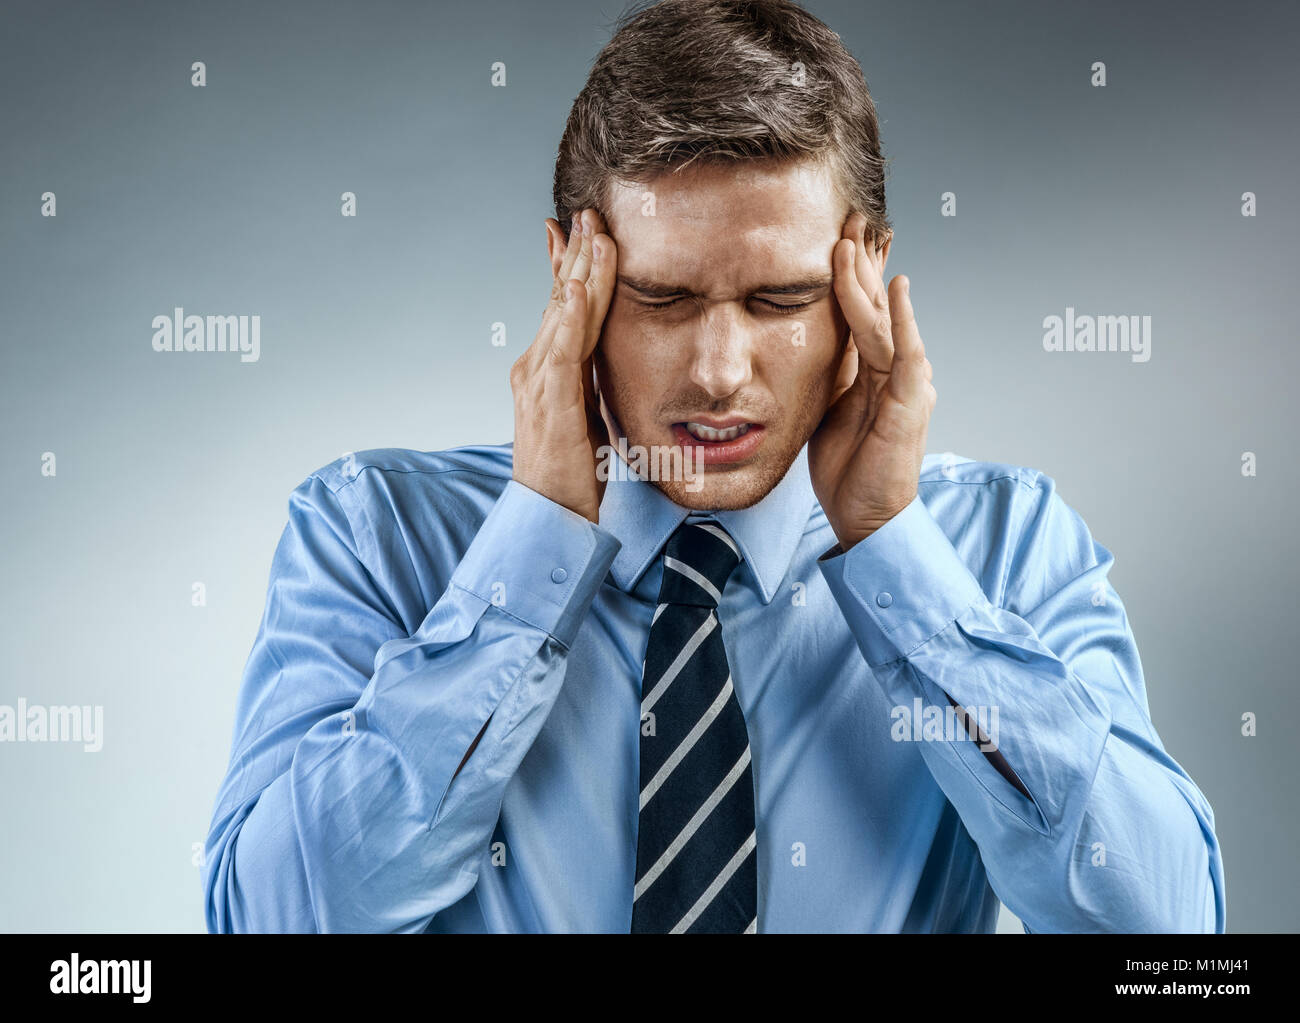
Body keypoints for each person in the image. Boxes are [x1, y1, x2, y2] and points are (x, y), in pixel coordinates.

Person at [202, 0, 1225, 933]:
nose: (718, 373)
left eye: (777, 301)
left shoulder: (1005, 547)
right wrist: (532, 556)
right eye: (663, 300)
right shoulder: (374, 530)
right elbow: (273, 921)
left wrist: (894, 555)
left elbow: (1169, 938)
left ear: (863, 273)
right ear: (570, 274)